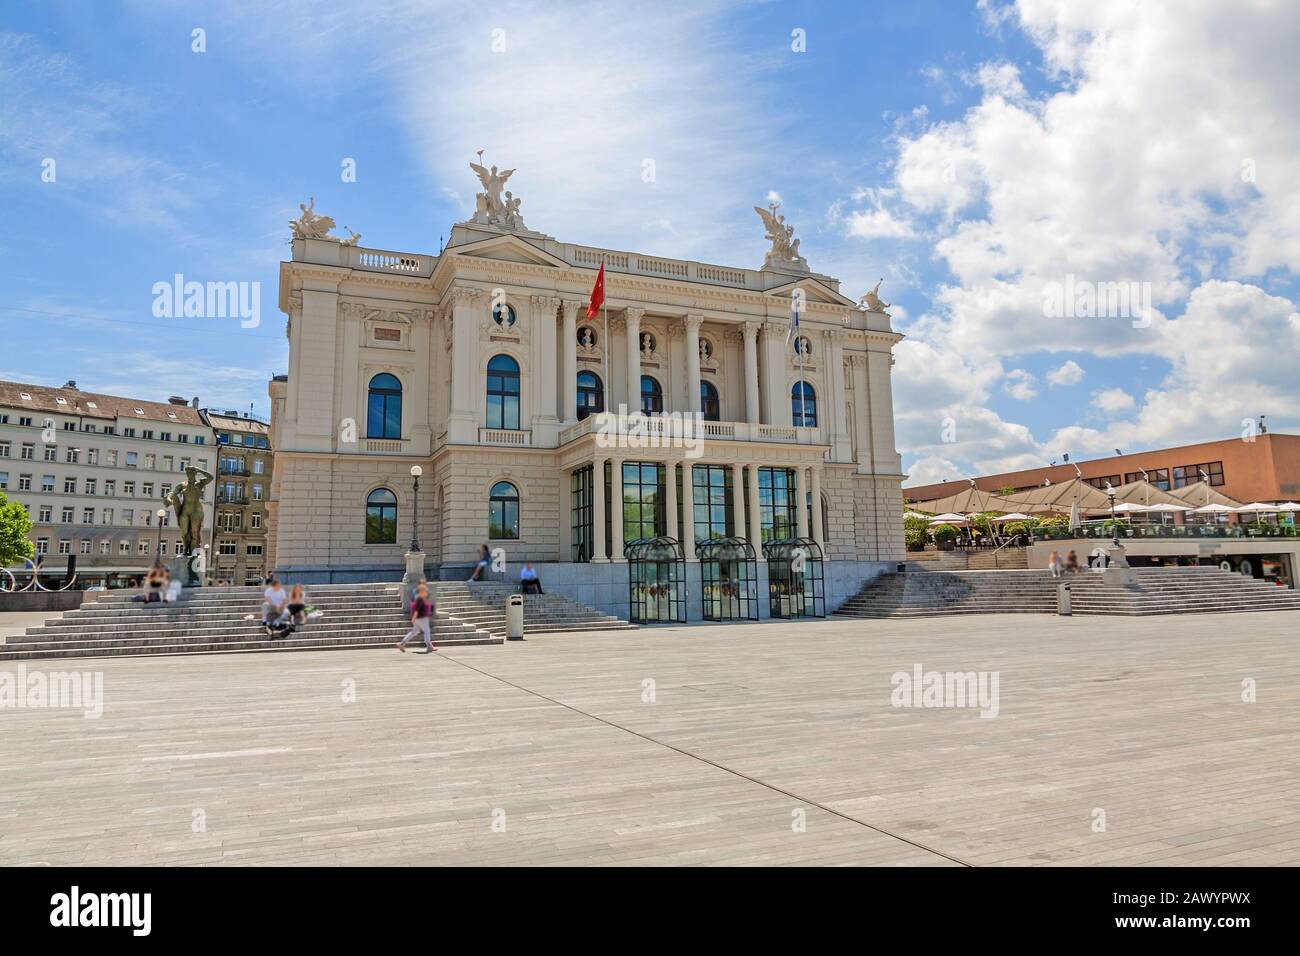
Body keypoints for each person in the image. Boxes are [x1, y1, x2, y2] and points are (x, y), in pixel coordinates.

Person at [397, 582, 436, 653]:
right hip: (422, 618)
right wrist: (414, 617)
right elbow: (417, 609)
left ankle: (402, 643)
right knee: (427, 631)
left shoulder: (420, 598)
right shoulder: (420, 599)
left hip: (419, 618)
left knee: (414, 632)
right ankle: (429, 646)